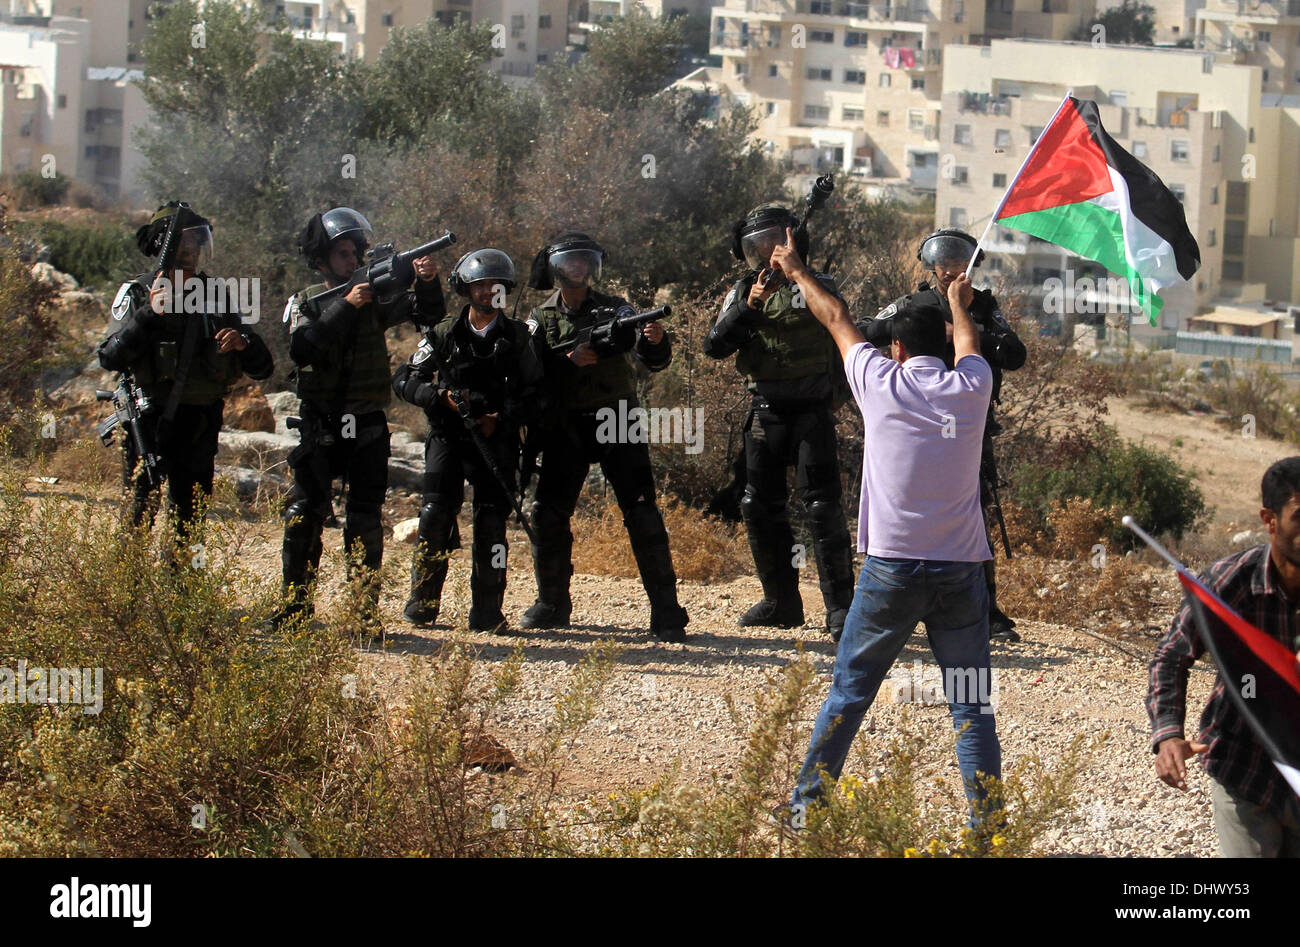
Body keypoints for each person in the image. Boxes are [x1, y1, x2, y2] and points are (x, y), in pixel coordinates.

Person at [769, 226, 1002, 828]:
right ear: (945, 347)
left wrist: (795, 271)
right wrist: (958, 306)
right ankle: (990, 829)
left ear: (895, 348)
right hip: (961, 572)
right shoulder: (973, 388)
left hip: (891, 570)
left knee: (850, 692)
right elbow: (971, 346)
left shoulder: (882, 384)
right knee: (973, 707)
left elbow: (837, 315)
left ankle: (804, 814)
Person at [267, 207, 446, 636]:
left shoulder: (374, 302)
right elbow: (303, 349)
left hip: (366, 423)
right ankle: (295, 608)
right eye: (342, 254)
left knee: (364, 518)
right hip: (321, 422)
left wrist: (426, 280)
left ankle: (363, 615)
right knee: (305, 513)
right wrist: (345, 306)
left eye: (355, 253)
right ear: (321, 260)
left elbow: (427, 315)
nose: (351, 260)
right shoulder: (308, 301)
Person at [857, 230, 1026, 643]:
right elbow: (867, 329)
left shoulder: (982, 305)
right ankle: (906, 598)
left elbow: (1014, 353)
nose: (951, 271)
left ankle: (985, 606)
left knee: (973, 510)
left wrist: (968, 332)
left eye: (959, 263)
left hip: (967, 426)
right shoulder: (915, 304)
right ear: (931, 266)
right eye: (943, 263)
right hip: (915, 422)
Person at [520, 232, 689, 643]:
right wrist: (568, 361)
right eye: (571, 261)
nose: (579, 267)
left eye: (585, 260)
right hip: (565, 423)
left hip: (618, 416)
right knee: (549, 513)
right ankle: (552, 603)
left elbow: (653, 358)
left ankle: (667, 612)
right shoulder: (539, 318)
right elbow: (526, 374)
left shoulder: (617, 309)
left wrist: (655, 340)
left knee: (642, 511)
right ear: (555, 269)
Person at [703, 204, 855, 641]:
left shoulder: (818, 285)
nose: (767, 252)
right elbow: (714, 346)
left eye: (775, 241)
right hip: (765, 410)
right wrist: (750, 306)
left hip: (812, 411)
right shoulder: (743, 291)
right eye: (759, 245)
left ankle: (840, 609)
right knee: (757, 504)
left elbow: (844, 334)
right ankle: (781, 601)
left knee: (822, 506)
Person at [1147, 456, 1300, 857]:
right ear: (1270, 519)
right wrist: (1168, 734)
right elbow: (1171, 655)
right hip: (1244, 767)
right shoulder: (1231, 581)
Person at [392, 248, 547, 633]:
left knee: (492, 525)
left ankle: (488, 611)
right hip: (448, 436)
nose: (487, 292)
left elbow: (538, 394)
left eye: (495, 286)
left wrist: (503, 419)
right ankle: (423, 604)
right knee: (434, 516)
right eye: (480, 285)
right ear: (467, 289)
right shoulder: (444, 332)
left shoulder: (517, 337)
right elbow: (405, 380)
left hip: (496, 441)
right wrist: (438, 398)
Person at [98, 201, 274, 536]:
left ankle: (179, 588)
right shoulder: (137, 292)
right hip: (149, 419)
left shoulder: (216, 295)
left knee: (189, 522)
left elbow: (263, 368)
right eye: (185, 241)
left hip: (199, 423)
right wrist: (149, 314)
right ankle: (127, 588)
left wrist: (242, 343)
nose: (193, 248)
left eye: (197, 241)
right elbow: (109, 357)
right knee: (138, 514)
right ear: (163, 244)